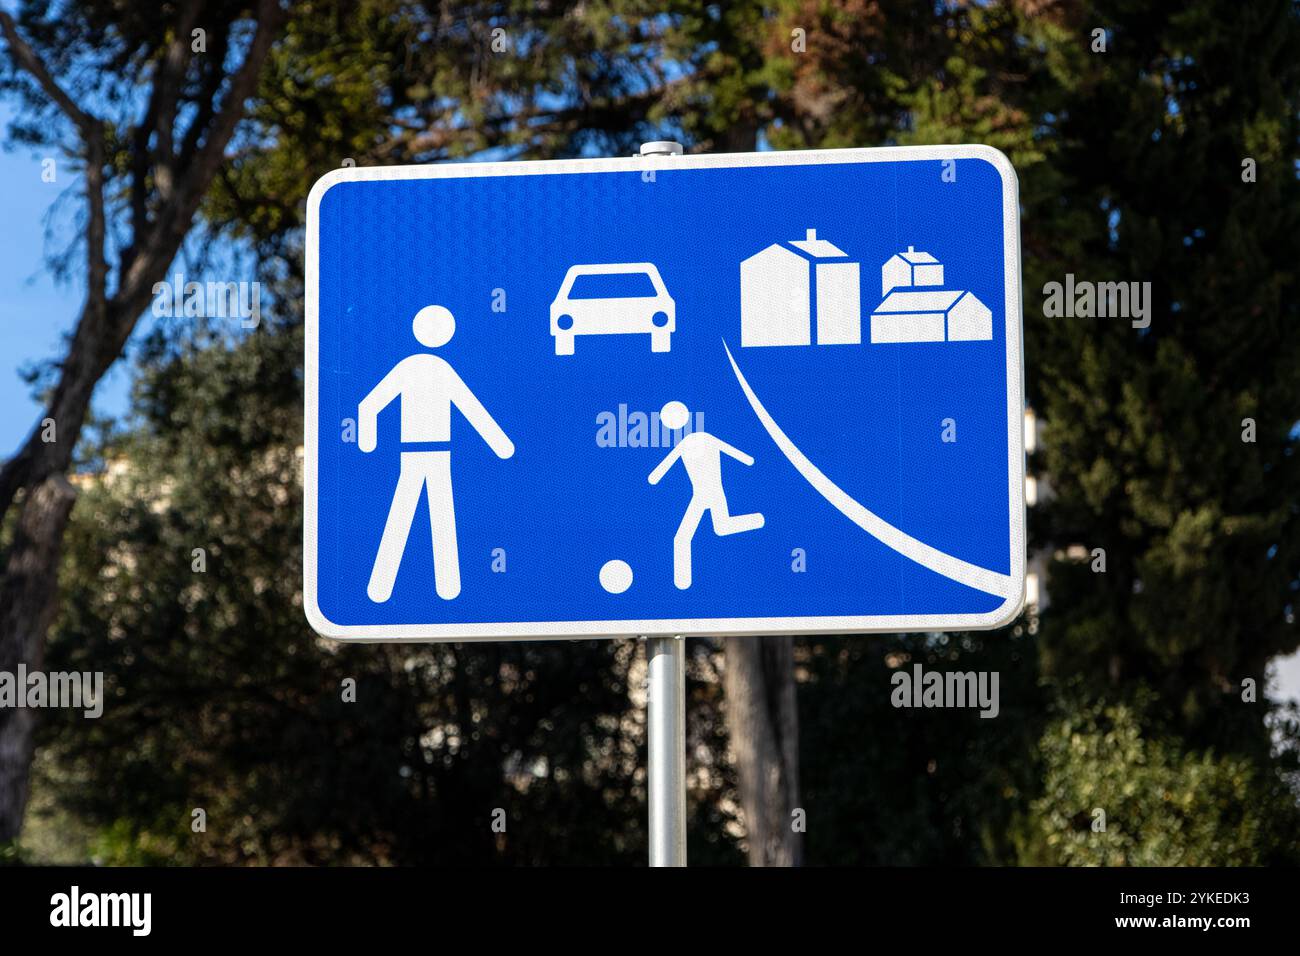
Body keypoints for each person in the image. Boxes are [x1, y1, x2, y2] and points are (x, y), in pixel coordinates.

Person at [358, 305, 513, 601]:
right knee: (418, 515)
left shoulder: (425, 368)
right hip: (420, 454)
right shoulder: (424, 369)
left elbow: (470, 407)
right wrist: (500, 445)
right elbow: (370, 405)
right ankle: (386, 588)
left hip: (434, 455)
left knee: (434, 515)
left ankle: (435, 588)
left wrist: (501, 445)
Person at [648, 401, 764, 589]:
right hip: (700, 496)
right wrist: (747, 460)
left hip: (715, 493)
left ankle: (757, 520)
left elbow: (737, 454)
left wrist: (747, 460)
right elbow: (659, 472)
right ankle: (682, 582)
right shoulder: (686, 444)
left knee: (717, 529)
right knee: (689, 536)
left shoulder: (704, 439)